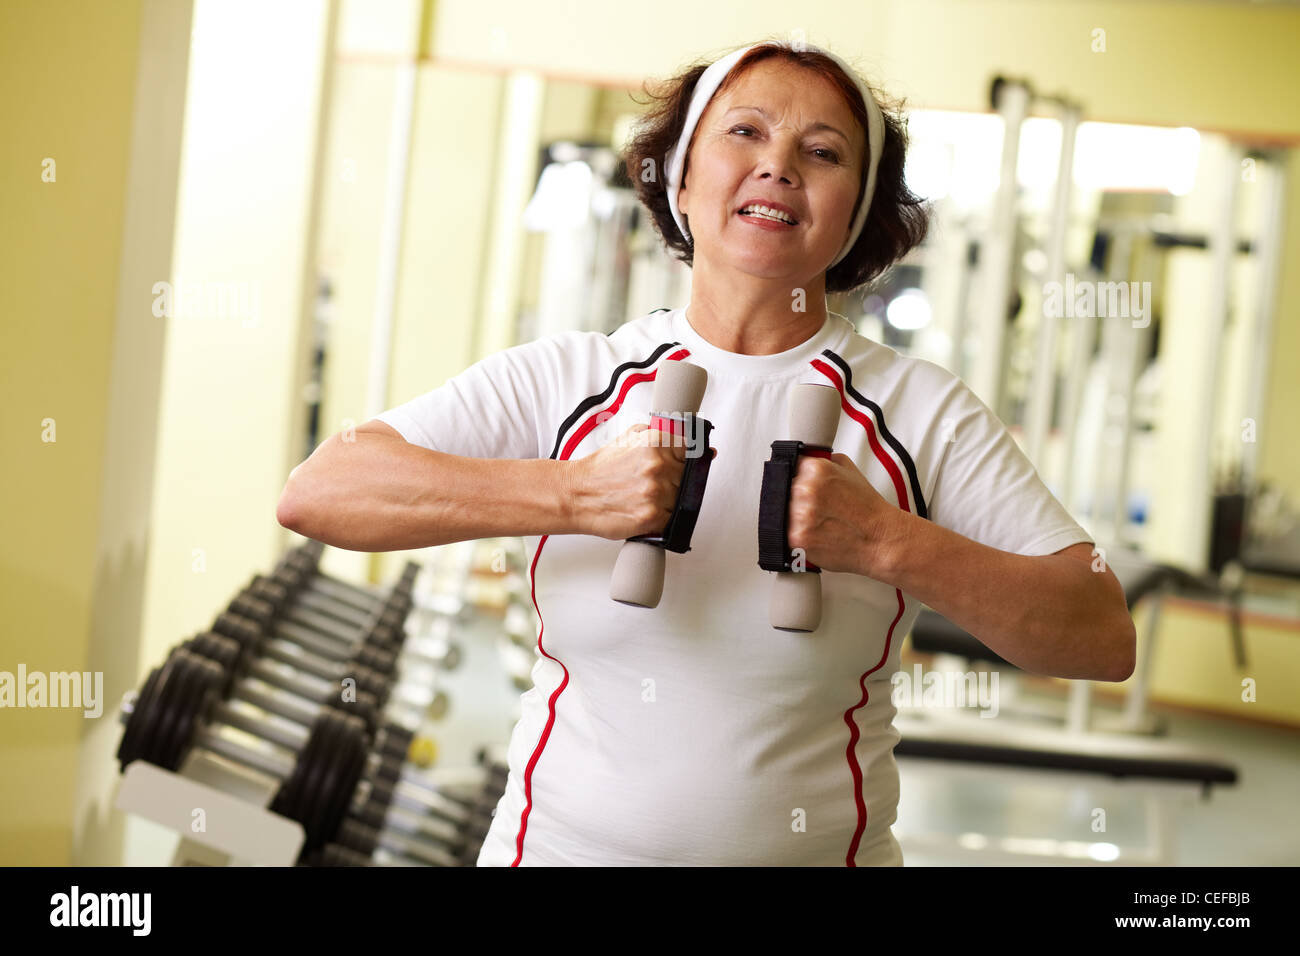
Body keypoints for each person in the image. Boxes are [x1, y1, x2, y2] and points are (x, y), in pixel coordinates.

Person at [277, 38, 1136, 866]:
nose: (779, 166)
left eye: (825, 152)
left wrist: (887, 544)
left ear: (858, 213)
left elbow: (1099, 635)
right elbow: (323, 491)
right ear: (681, 178)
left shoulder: (922, 411)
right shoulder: (572, 377)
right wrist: (574, 497)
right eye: (745, 131)